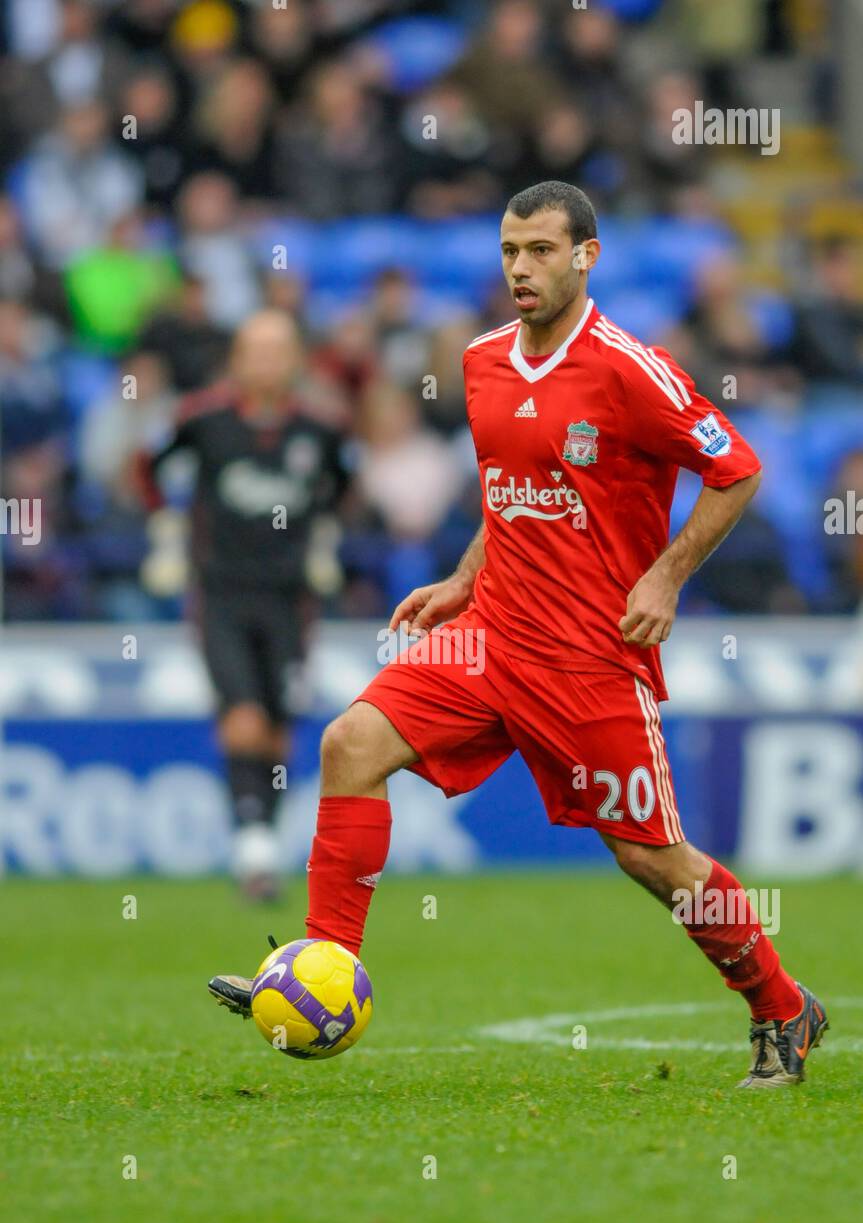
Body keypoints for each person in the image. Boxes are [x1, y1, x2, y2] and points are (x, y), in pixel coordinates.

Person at [208, 183, 828, 1089]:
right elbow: (508, 488)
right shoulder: (483, 360)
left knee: (651, 857)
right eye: (509, 252)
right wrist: (463, 581)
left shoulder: (627, 367)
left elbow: (735, 470)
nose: (520, 270)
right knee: (350, 744)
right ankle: (322, 970)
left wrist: (663, 576)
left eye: (540, 251)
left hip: (588, 656)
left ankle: (782, 1008)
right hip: (491, 635)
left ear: (586, 256)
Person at [140, 309, 348, 899]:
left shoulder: (319, 429)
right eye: (256, 349)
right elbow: (146, 468)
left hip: (291, 598)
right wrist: (166, 530)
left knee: (279, 730)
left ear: (296, 359)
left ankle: (261, 838)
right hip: (221, 592)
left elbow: (343, 486)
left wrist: (323, 539)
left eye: (278, 349)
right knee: (243, 717)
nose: (267, 361)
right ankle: (253, 848)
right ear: (237, 358)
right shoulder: (203, 420)